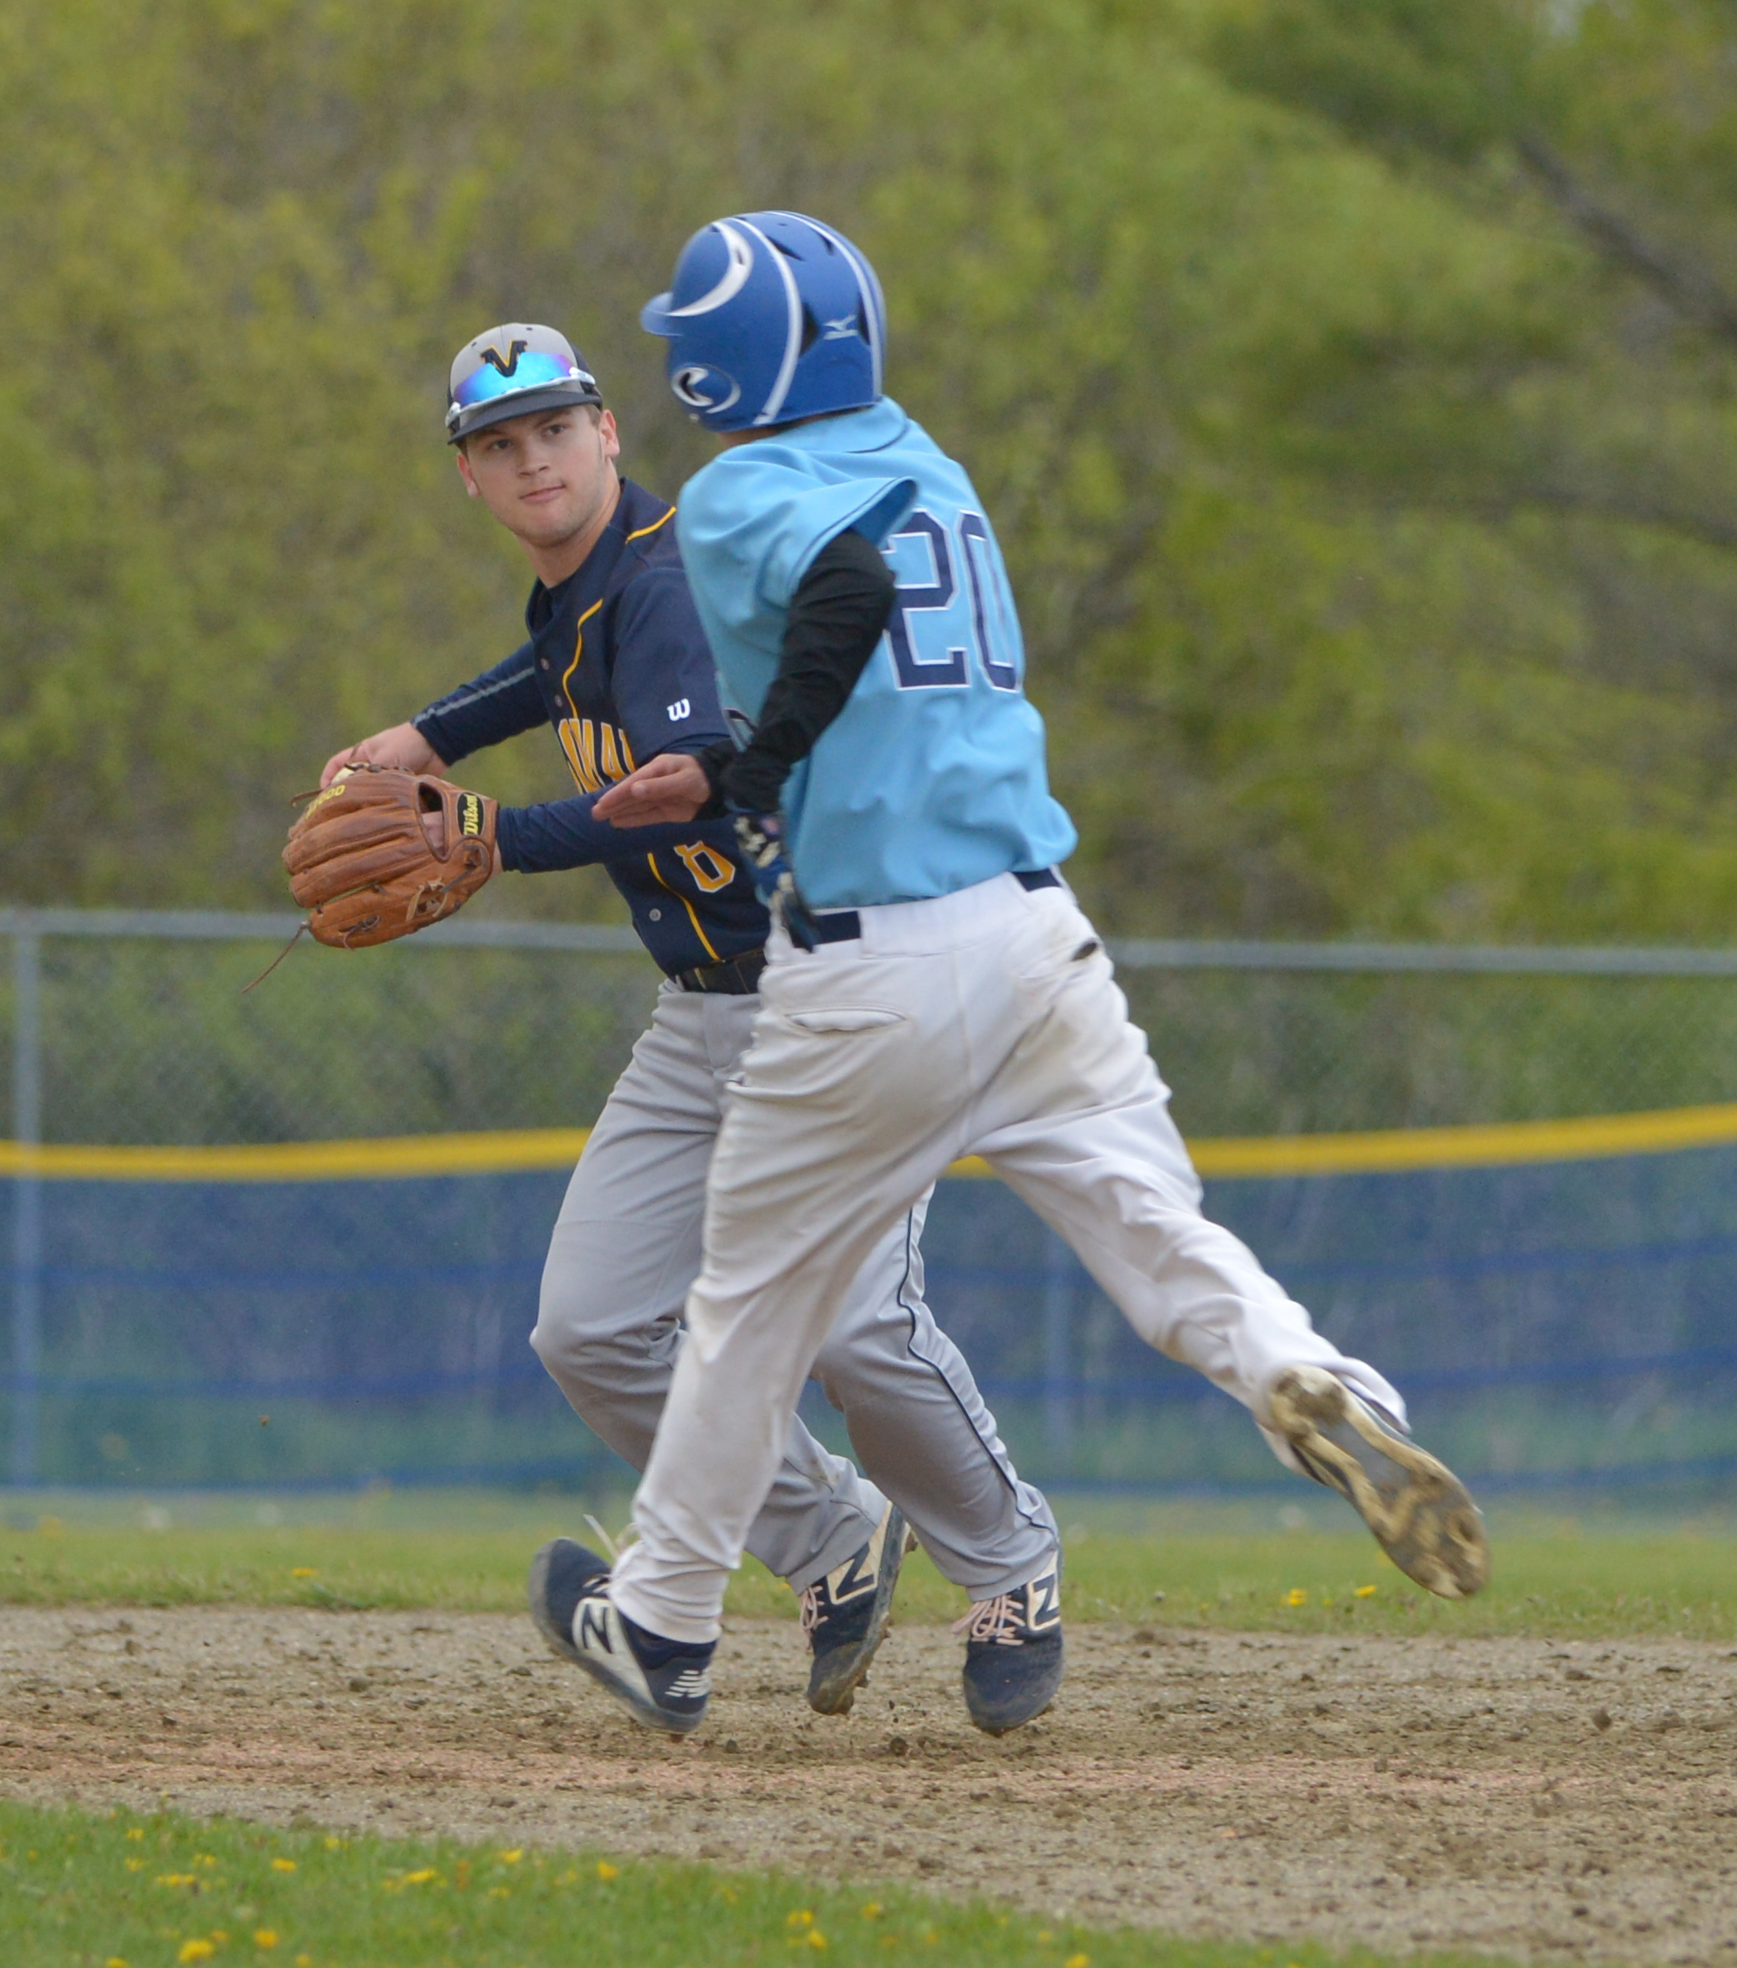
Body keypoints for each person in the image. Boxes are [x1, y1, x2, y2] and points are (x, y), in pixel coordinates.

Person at [530, 213, 1491, 1735]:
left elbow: (841, 600)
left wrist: (760, 763)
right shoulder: (934, 462)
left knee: (751, 1310)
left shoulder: (731, 495)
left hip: (874, 969)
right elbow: (884, 644)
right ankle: (1320, 1386)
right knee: (1161, 1238)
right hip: (1042, 937)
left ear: (720, 367)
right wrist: (731, 760)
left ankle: (657, 1624)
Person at [324, 322, 1067, 1734]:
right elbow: (556, 672)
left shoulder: (672, 586)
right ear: (472, 481)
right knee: (591, 1327)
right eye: (498, 444)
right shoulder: (595, 592)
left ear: (610, 437)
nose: (531, 458)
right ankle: (835, 1543)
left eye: (554, 428)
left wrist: (491, 834)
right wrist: (431, 738)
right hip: (706, 1015)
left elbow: (696, 783)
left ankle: (1012, 1565)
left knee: (855, 1325)